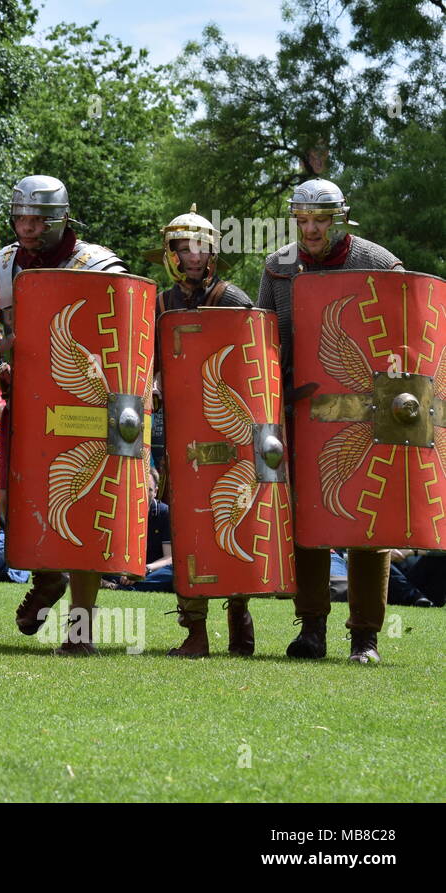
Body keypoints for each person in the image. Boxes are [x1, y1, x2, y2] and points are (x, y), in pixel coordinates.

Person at [258, 178, 402, 664]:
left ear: (341, 219)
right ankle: (312, 629)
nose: (311, 229)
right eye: (302, 221)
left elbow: (403, 340)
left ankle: (365, 636)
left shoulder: (379, 264)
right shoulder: (278, 268)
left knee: (368, 521)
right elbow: (262, 340)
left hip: (368, 412)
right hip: (305, 410)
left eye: (320, 220)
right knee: (309, 520)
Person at [0, 175, 128, 654]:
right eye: (20, 218)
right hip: (23, 408)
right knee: (12, 501)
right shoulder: (3, 264)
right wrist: (1, 353)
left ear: (59, 219)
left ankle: (82, 629)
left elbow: (121, 336)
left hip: (84, 409)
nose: (26, 228)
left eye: (36, 220)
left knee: (83, 509)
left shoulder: (97, 266)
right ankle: (47, 577)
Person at [152, 207, 256, 658]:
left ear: (212, 252)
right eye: (183, 248)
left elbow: (253, 368)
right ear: (172, 253)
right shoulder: (160, 304)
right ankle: (194, 629)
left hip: (230, 432)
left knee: (231, 517)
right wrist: (152, 387)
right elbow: (149, 362)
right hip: (180, 435)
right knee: (187, 524)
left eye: (200, 247)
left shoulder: (234, 300)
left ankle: (239, 614)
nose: (192, 256)